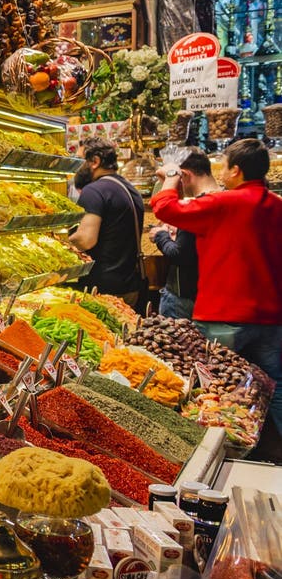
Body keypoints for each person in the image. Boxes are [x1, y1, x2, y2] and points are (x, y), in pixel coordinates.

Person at [151, 138, 282, 433]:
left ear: (236, 170)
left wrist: (171, 176)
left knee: (218, 387)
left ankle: (226, 444)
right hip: (272, 316)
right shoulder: (277, 205)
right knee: (276, 385)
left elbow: (165, 208)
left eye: (223, 166)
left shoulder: (223, 203)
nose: (220, 174)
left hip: (225, 316)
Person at [69, 136, 145, 306]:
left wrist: (58, 244)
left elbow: (85, 240)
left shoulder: (94, 191)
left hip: (102, 290)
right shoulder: (129, 189)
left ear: (95, 161)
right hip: (129, 286)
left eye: (79, 160)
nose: (76, 167)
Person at [148, 149, 219, 319]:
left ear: (184, 175)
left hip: (183, 298)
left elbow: (180, 254)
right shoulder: (222, 197)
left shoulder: (198, 207)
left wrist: (161, 235)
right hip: (211, 294)